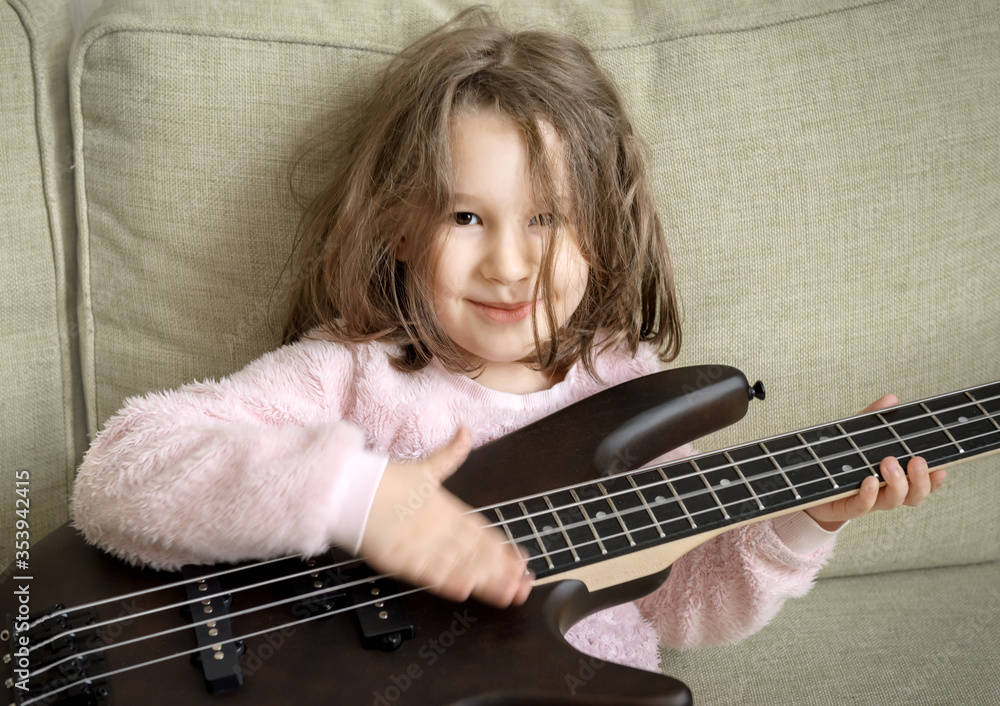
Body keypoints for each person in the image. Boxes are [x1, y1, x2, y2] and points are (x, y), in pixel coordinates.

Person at [70, 9, 946, 672]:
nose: (510, 263)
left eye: (549, 219)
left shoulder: (628, 386)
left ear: (601, 233)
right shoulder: (355, 371)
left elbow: (681, 611)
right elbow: (121, 469)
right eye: (466, 216)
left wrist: (800, 523)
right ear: (402, 227)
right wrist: (356, 497)